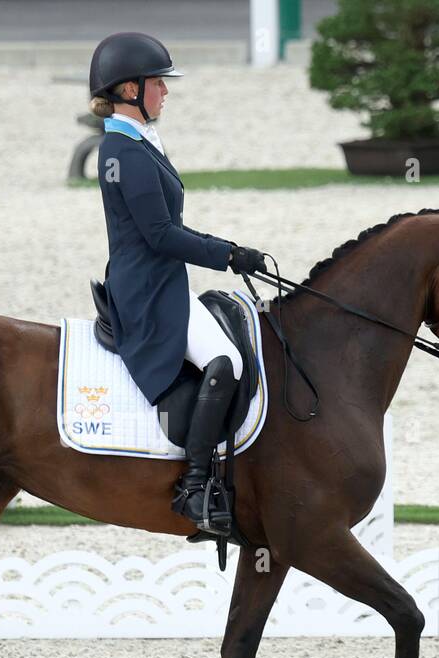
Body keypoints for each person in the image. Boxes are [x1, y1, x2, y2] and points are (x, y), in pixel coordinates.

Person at [89, 31, 267, 534]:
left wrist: (228, 250)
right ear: (129, 89)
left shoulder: (139, 143)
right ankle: (194, 485)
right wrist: (228, 254)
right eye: (158, 84)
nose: (165, 92)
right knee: (226, 360)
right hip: (148, 290)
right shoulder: (124, 150)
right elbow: (162, 235)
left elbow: (170, 231)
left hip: (158, 279)